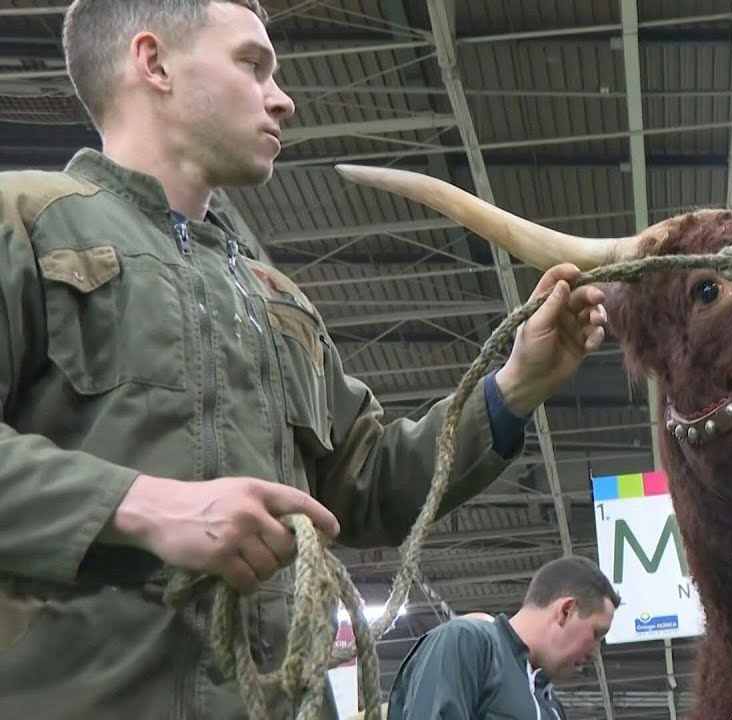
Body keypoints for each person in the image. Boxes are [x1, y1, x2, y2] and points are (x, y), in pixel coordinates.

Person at [0, 1, 607, 718]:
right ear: (153, 62)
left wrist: (515, 384)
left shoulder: (275, 300)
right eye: (251, 65)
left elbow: (367, 485)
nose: (282, 97)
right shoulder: (26, 224)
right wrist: (143, 505)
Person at [386, 555, 621, 719]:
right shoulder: (469, 643)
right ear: (566, 611)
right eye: (596, 634)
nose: (594, 652)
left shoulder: (552, 707)